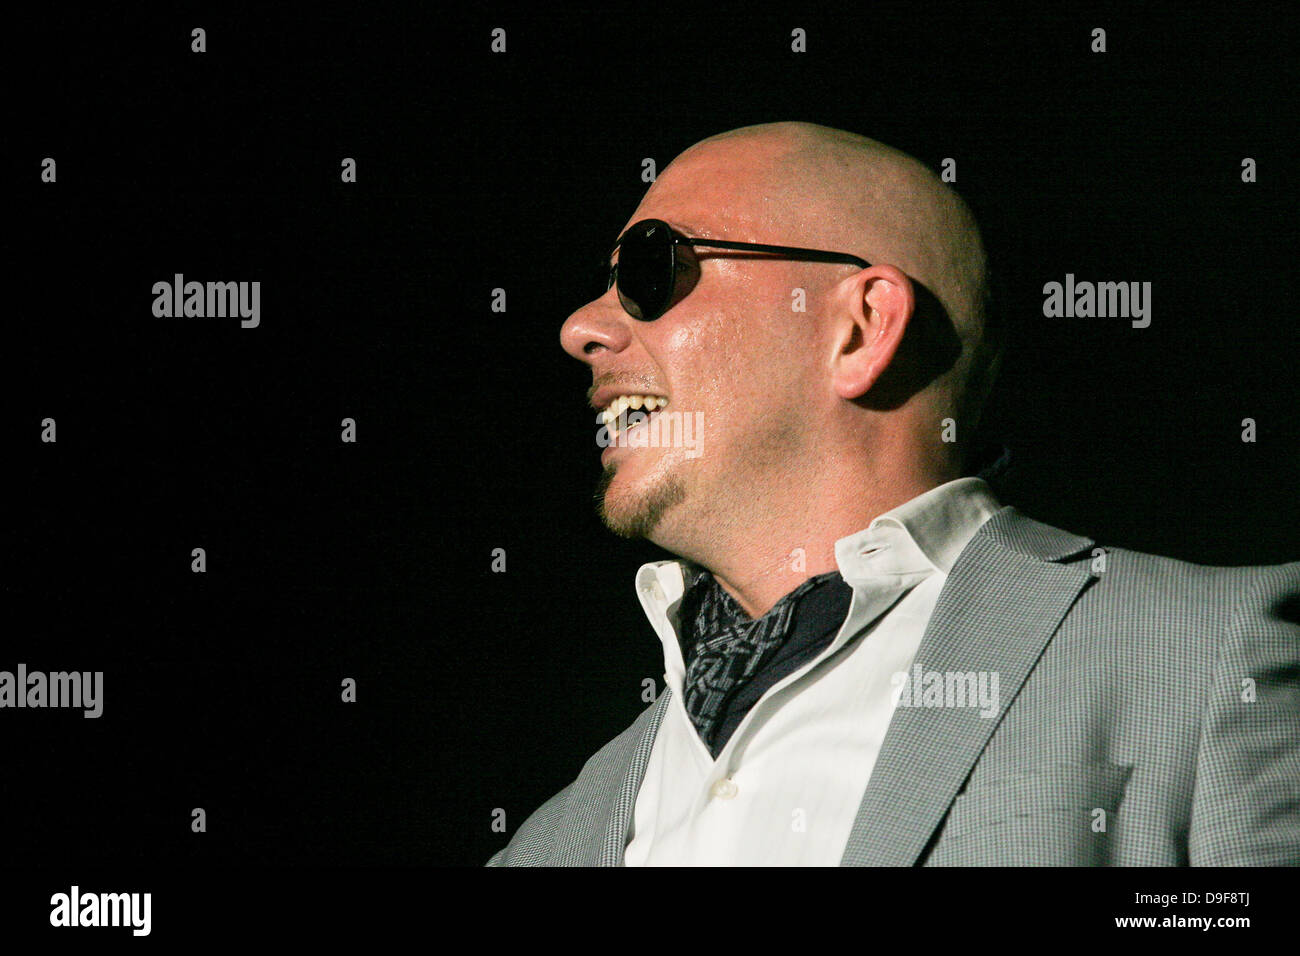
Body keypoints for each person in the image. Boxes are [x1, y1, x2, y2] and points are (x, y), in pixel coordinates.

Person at [487, 122, 1300, 866]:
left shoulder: (1203, 658)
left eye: (649, 268)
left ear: (862, 325)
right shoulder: (548, 842)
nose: (581, 328)